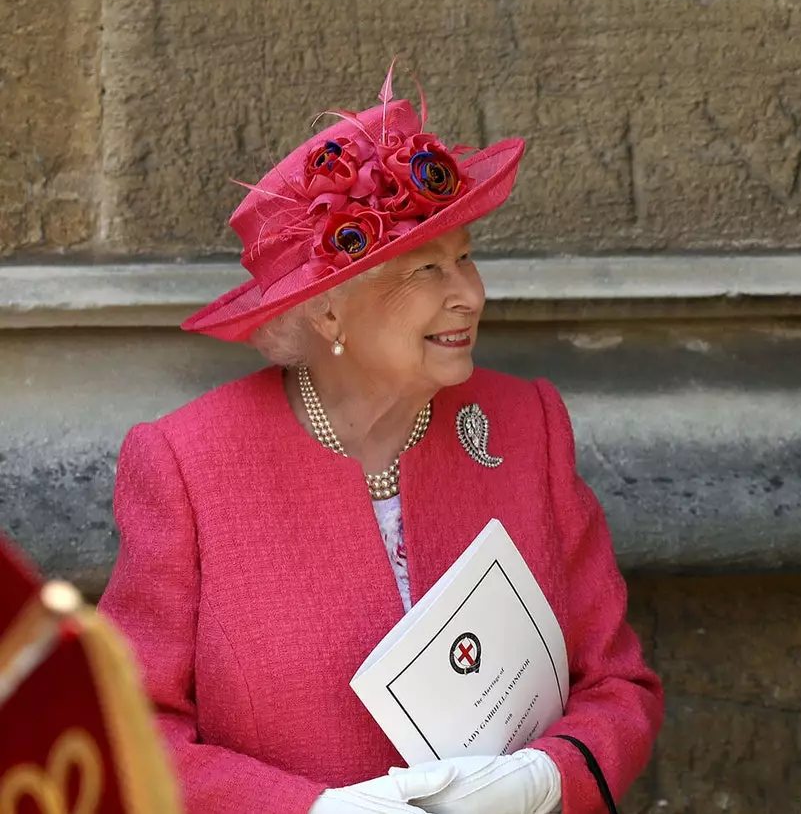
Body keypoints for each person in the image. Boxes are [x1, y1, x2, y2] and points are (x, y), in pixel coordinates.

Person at [98, 67, 664, 814]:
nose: (469, 292)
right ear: (328, 315)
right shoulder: (187, 465)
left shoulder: (527, 425)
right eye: (425, 268)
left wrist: (543, 778)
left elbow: (619, 687)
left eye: (464, 255)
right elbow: (126, 737)